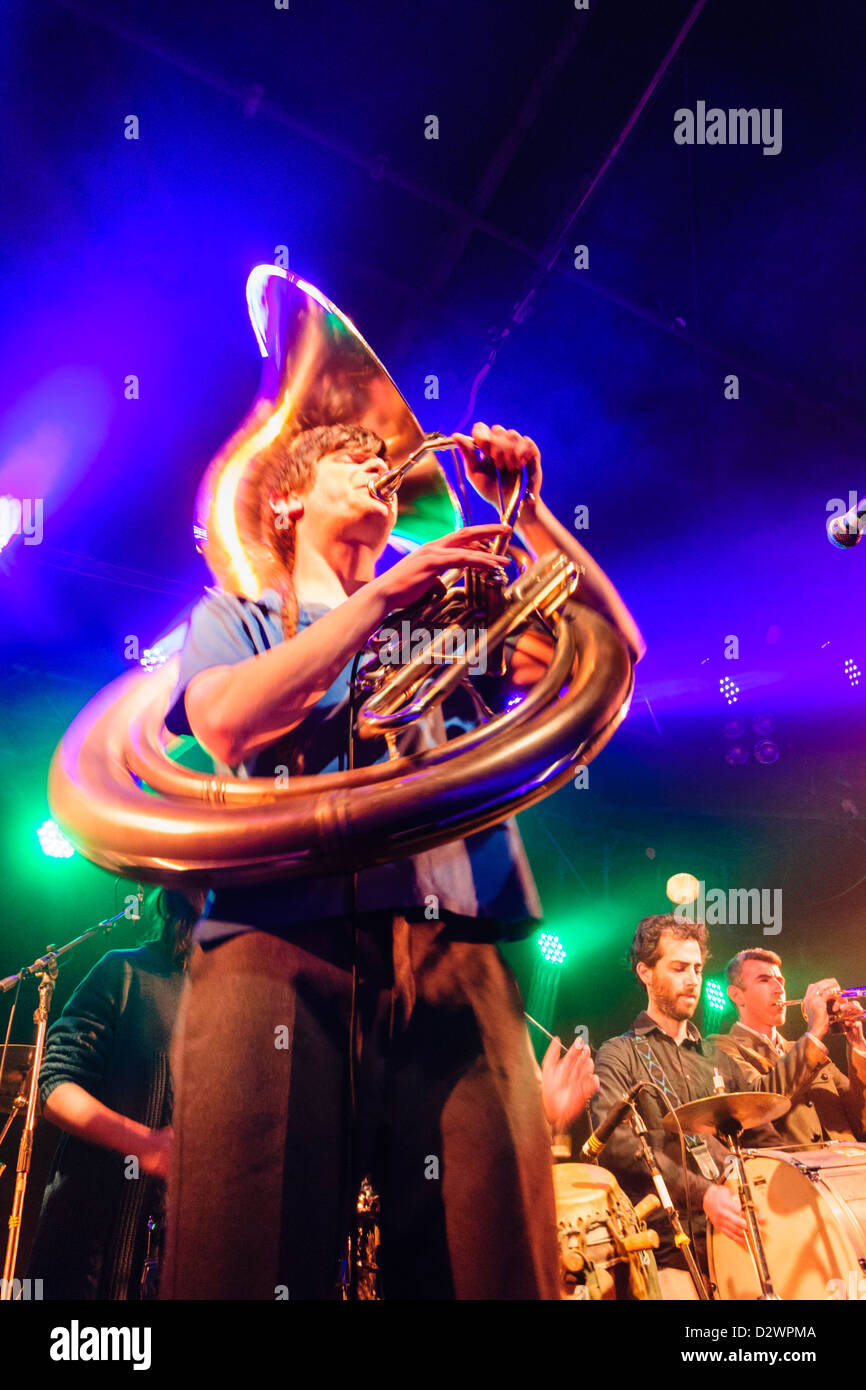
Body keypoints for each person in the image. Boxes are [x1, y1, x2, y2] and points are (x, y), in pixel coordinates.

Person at [160, 419, 644, 1300]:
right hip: (275, 948)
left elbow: (615, 647)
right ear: (286, 498)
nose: (381, 467)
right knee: (244, 1259)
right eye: (354, 459)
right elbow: (228, 726)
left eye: (385, 460)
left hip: (455, 946)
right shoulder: (236, 615)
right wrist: (381, 599)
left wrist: (525, 513)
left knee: (493, 1267)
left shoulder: (446, 622)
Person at [590, 914, 825, 1300]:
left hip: (739, 1239)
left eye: (697, 968)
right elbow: (620, 1144)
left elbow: (762, 1133)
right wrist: (705, 1194)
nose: (693, 979)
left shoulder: (716, 1059)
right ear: (645, 972)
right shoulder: (619, 1053)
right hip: (668, 1252)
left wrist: (803, 1178)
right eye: (679, 967)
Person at [27, 889, 201, 1300]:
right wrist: (148, 1146)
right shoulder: (124, 971)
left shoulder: (249, 1000)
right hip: (92, 1252)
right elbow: (55, 1084)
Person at [708, 948, 866, 1145]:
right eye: (764, 980)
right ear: (736, 995)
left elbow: (862, 1121)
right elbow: (760, 1100)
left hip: (850, 1165)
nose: (779, 989)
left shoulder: (801, 1048)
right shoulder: (720, 1045)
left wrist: (857, 1043)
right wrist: (815, 1031)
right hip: (791, 1172)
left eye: (780, 981)